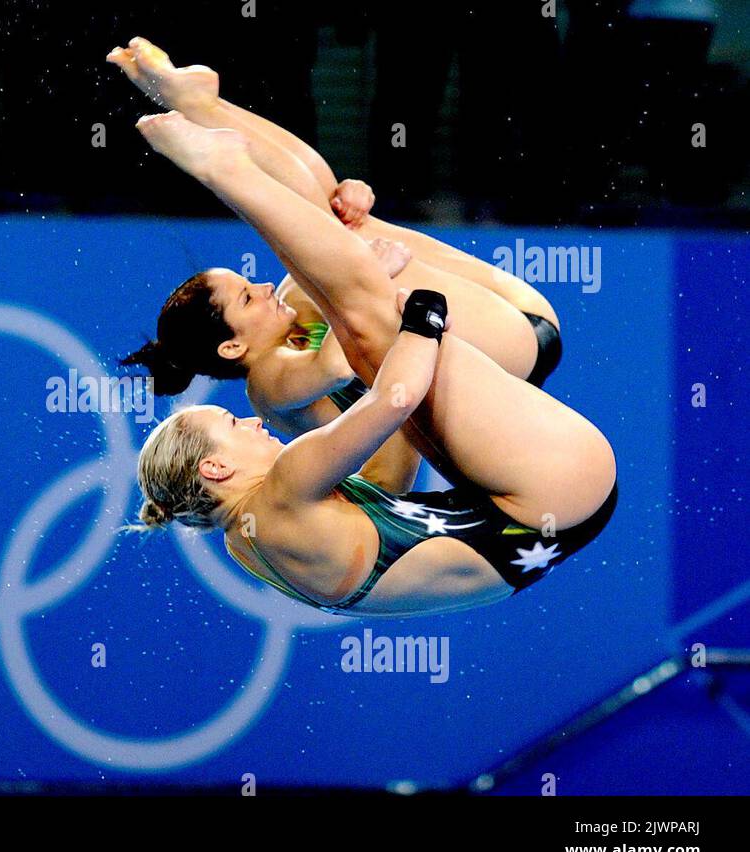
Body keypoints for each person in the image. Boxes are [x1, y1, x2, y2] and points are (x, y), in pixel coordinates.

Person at [124, 108, 616, 618]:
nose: (250, 420)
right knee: (365, 314)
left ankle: (211, 122)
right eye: (231, 423)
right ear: (216, 467)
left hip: (535, 515)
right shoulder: (284, 475)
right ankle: (222, 168)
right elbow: (394, 398)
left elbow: (389, 465)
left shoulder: (246, 545)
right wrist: (421, 321)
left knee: (345, 266)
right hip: (544, 495)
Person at [109, 39, 564, 493]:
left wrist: (355, 198)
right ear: (232, 347)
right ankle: (209, 129)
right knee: (332, 253)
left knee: (332, 221)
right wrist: (371, 272)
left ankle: (202, 105)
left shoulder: (293, 303)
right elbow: (338, 365)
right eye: (247, 297)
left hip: (512, 314)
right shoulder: (268, 388)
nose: (264, 287)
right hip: (513, 353)